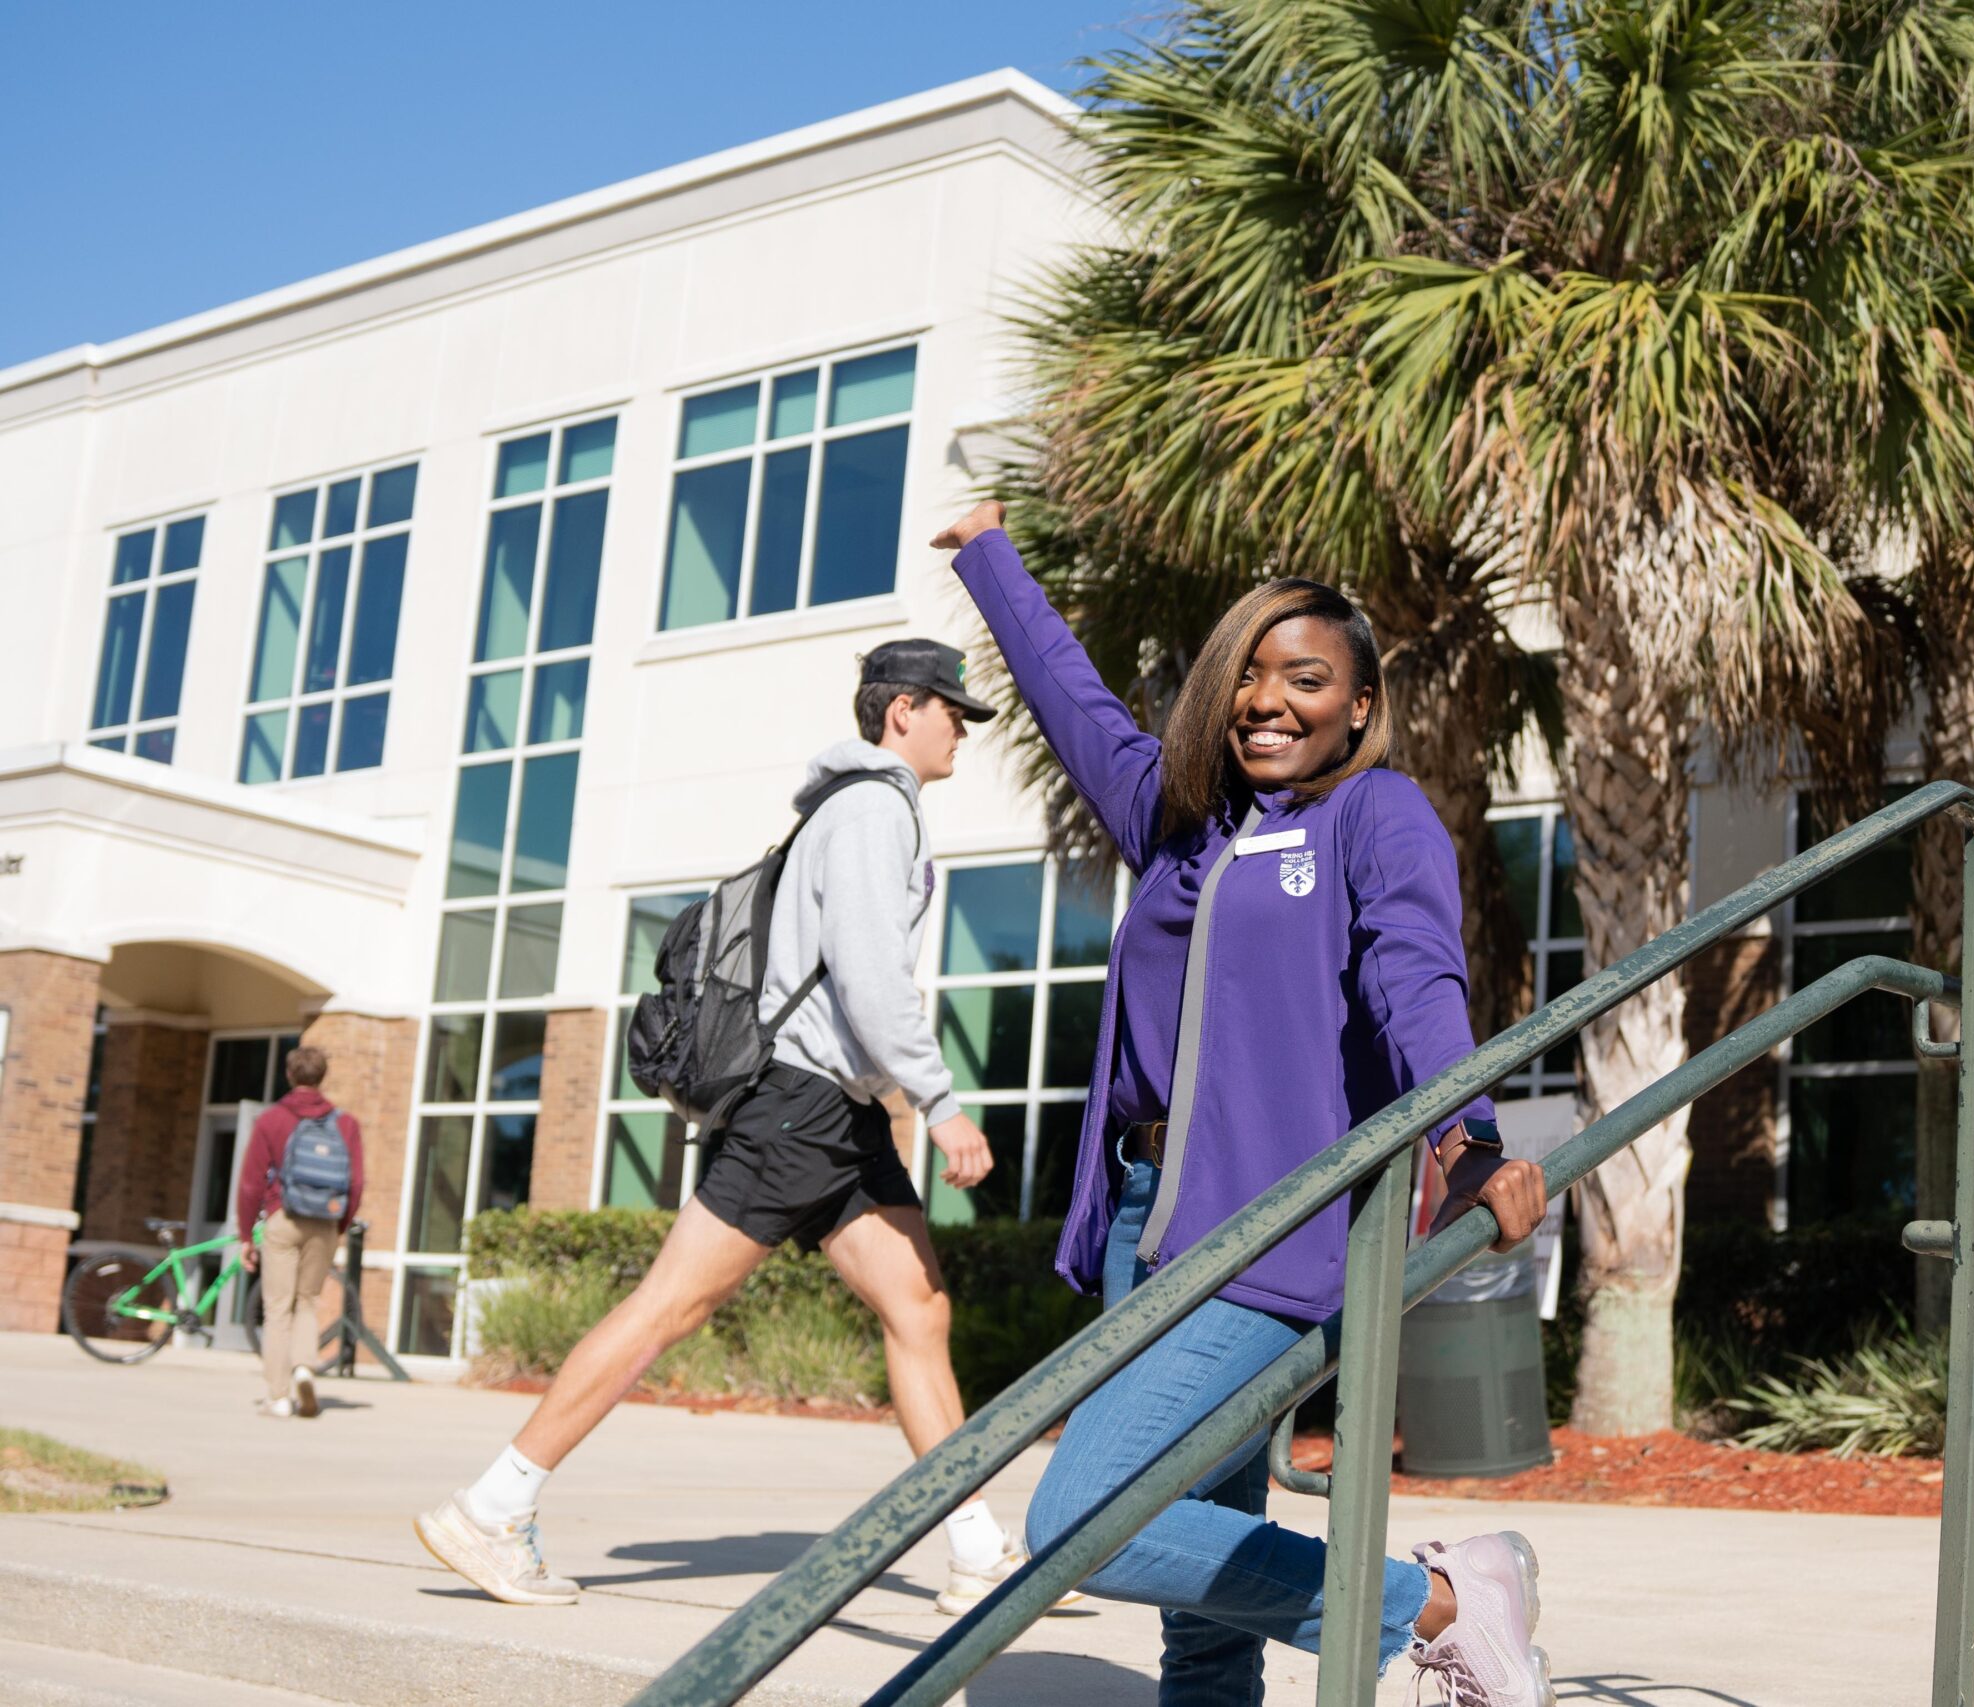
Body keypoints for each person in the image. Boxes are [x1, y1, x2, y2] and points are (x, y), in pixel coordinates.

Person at [934, 501, 1558, 1707]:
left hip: (1276, 1226)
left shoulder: (1372, 816)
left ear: (1359, 707)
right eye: (1247, 678)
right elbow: (1078, 708)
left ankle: (1434, 1602)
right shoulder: (1180, 825)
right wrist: (988, 560)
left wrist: (1469, 1140)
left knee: (1089, 1523)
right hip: (1143, 1216)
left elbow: (1416, 981)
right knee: (1201, 1592)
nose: (1268, 701)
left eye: (1306, 679)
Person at [416, 640, 1049, 1616]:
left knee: (919, 1311)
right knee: (671, 1306)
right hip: (801, 1106)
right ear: (901, 713)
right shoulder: (874, 809)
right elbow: (871, 978)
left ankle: (975, 1553)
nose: (962, 730)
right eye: (951, 712)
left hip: (836, 1113)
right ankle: (493, 1507)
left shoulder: (857, 811)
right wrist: (941, 1100)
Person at [236, 1046, 364, 1420]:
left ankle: (278, 1397)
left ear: (290, 1075)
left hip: (283, 1218)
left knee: (277, 1309)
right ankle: (305, 1368)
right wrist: (337, 1225)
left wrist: (247, 1234)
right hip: (324, 1222)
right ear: (322, 1077)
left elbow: (249, 1184)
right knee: (307, 1301)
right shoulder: (346, 1124)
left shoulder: (272, 1119)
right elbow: (356, 1184)